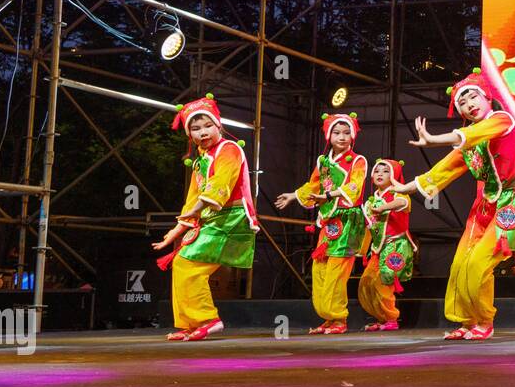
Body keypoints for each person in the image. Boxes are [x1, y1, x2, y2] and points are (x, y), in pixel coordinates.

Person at [389, 68, 515, 341]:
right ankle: (466, 321)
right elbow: (444, 170)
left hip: (512, 201)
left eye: (473, 98)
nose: (469, 105)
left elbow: (466, 137)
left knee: (479, 262)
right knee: (460, 263)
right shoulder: (470, 139)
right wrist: (406, 187)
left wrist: (433, 140)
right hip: (484, 204)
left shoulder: (502, 120)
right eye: (463, 103)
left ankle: (485, 320)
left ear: (487, 98)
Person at [152, 94, 258, 342]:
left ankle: (207, 320)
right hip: (213, 218)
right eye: (196, 128)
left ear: (218, 124)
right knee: (181, 263)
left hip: (231, 217)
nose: (203, 132)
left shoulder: (229, 149)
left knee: (190, 264)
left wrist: (196, 208)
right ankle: (191, 322)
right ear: (190, 135)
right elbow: (192, 198)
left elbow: (219, 185)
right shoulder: (200, 160)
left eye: (208, 125)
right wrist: (175, 231)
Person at [274, 113, 368, 335]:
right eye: (337, 133)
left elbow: (355, 186)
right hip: (328, 222)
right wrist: (294, 195)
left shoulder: (357, 160)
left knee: (337, 272)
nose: (342, 137)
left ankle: (338, 319)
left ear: (353, 136)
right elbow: (313, 186)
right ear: (329, 135)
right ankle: (327, 317)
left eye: (346, 133)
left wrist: (330, 195)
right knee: (320, 270)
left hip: (347, 219)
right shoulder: (323, 161)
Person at [358, 158, 417, 331]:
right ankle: (381, 317)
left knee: (383, 282)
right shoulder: (371, 200)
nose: (380, 174)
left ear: (394, 175)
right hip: (378, 248)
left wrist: (384, 207)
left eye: (385, 171)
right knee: (367, 283)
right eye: (377, 171)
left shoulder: (399, 194)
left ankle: (391, 318)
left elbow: (403, 203)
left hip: (396, 245)